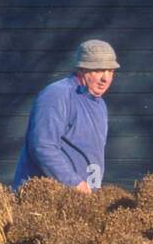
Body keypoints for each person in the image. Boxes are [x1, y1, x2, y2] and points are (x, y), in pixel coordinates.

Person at [12, 39, 120, 193]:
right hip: (44, 199)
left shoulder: (99, 104)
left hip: (82, 199)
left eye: (111, 71)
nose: (106, 78)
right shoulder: (57, 95)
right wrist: (73, 182)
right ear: (80, 69)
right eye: (98, 70)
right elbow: (43, 146)